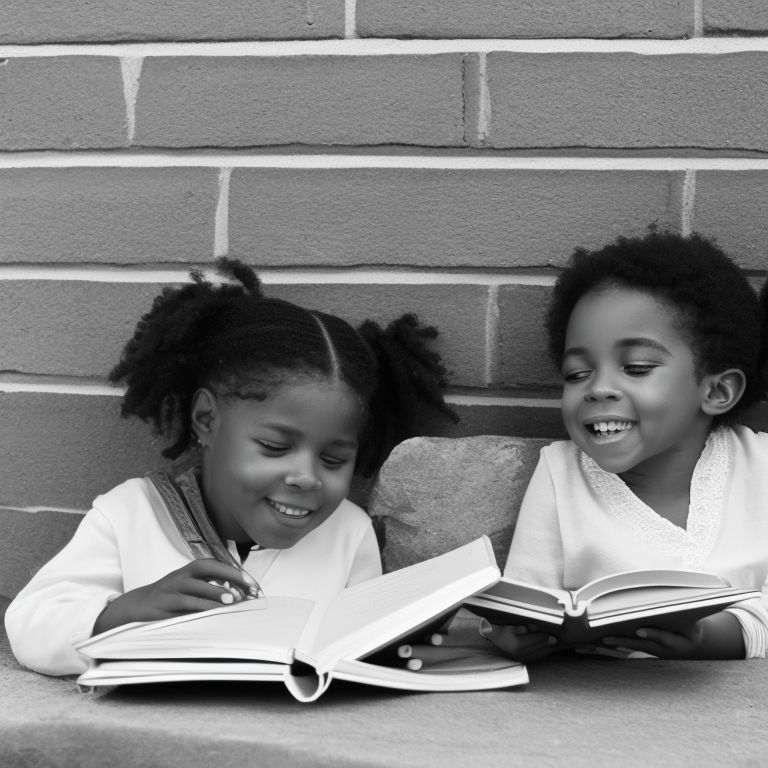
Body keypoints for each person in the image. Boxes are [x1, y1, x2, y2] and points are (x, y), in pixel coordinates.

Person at [5, 258, 457, 676]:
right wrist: (121, 613)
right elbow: (30, 625)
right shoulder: (131, 514)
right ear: (207, 420)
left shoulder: (348, 532)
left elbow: (359, 642)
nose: (306, 476)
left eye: (334, 459)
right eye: (274, 446)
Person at [481, 230, 768, 661]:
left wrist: (707, 638)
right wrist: (513, 636)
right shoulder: (561, 473)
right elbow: (527, 598)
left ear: (717, 391)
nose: (598, 389)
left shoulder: (760, 467)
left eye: (635, 368)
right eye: (577, 374)